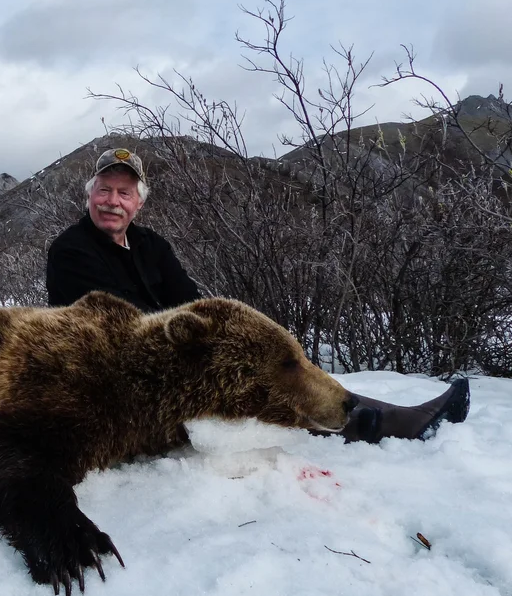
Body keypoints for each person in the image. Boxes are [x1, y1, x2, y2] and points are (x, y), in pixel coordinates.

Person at [45, 147, 470, 444]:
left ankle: (369, 413)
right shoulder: (70, 251)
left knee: (270, 361)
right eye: (104, 190)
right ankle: (379, 424)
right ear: (90, 196)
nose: (112, 202)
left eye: (124, 193)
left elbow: (190, 299)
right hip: (122, 377)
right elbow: (115, 327)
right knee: (256, 383)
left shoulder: (152, 245)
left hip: (179, 356)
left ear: (139, 202)